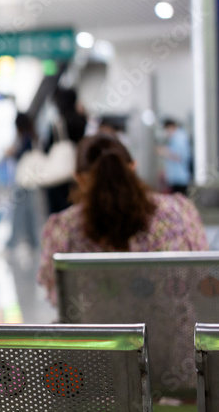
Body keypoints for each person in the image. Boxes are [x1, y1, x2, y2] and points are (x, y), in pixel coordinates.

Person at [38, 134, 207, 305]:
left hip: (98, 322)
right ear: (132, 168)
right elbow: (201, 274)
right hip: (172, 321)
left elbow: (55, 293)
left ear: (79, 178)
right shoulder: (179, 211)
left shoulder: (63, 228)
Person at [41, 88, 87, 215]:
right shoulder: (82, 120)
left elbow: (46, 149)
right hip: (78, 171)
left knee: (61, 213)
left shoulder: (58, 124)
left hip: (60, 176)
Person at [5, 113, 39, 250]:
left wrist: (12, 152)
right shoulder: (33, 136)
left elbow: (21, 155)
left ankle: (14, 242)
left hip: (23, 181)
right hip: (30, 181)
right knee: (29, 211)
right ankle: (33, 241)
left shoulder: (25, 138)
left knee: (19, 211)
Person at [158, 118, 192, 195]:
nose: (166, 132)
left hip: (180, 178)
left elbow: (180, 157)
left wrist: (164, 152)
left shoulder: (179, 138)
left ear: (171, 126)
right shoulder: (174, 138)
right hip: (175, 178)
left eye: (166, 129)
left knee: (180, 200)